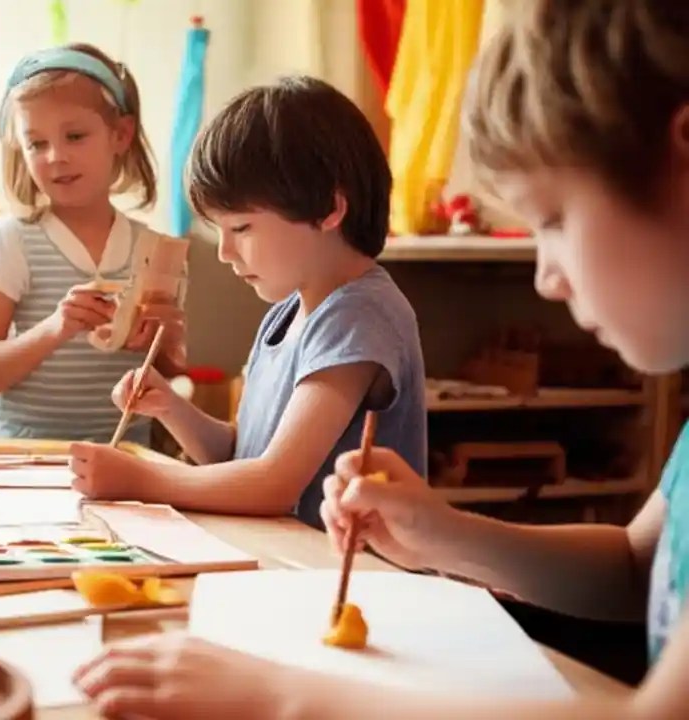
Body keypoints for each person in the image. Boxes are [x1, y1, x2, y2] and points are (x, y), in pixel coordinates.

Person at [73, 2, 689, 718]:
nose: (546, 278)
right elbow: (635, 567)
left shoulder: (360, 308)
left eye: (552, 219)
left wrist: (288, 697)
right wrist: (444, 533)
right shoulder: (287, 312)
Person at [70, 76, 426, 528]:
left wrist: (143, 479)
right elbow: (242, 455)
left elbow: (274, 485)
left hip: (356, 582)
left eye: (241, 229)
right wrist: (171, 409)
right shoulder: (286, 314)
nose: (224, 252)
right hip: (294, 561)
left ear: (328, 210)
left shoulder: (358, 315)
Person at [0, 43, 187, 446]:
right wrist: (56, 328)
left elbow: (167, 374)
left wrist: (165, 337)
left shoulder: (152, 248)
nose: (56, 157)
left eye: (75, 136)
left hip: (124, 455)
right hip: (25, 460)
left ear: (120, 134)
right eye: (36, 143)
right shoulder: (12, 240)